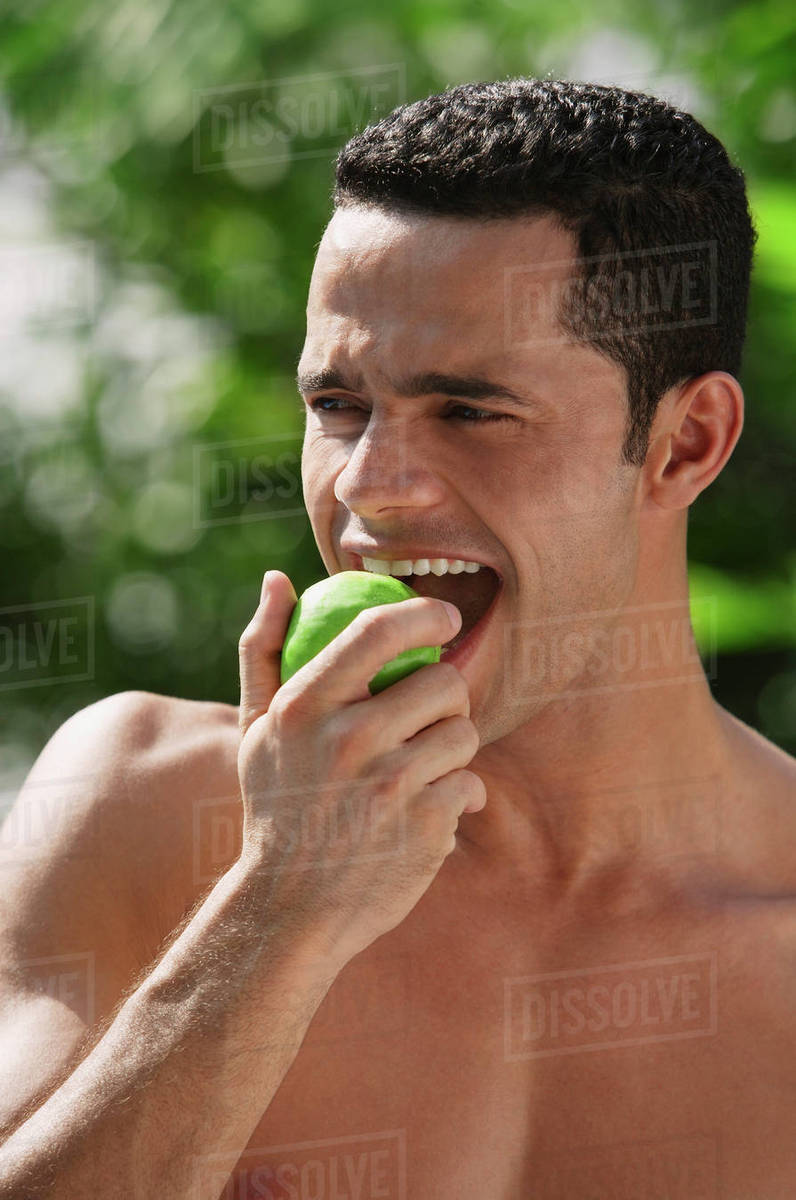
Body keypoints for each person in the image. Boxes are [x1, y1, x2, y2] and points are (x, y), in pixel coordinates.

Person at [1, 78, 794, 1199]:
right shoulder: (142, 807)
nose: (369, 486)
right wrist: (276, 917)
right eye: (338, 406)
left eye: (469, 410)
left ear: (682, 444)